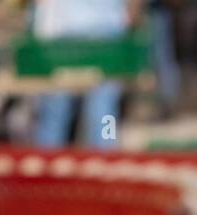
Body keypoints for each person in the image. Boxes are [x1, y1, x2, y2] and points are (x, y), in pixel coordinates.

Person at [32, 0, 140, 148]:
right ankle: (107, 155)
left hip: (71, 31)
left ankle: (46, 159)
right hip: (99, 30)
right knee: (103, 109)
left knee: (57, 110)